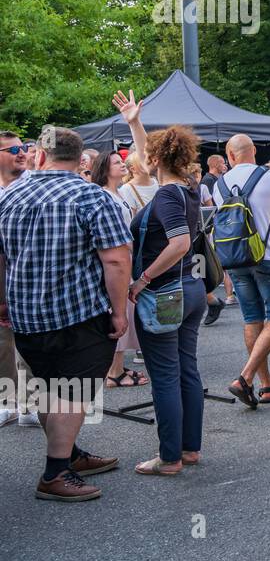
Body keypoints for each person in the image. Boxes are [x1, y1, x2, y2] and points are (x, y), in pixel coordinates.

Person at [0, 126, 130, 501]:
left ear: (40, 156)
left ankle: (69, 453)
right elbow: (116, 260)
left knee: (47, 388)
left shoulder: (9, 198)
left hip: (25, 316)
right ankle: (55, 472)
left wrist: (3, 303)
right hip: (77, 314)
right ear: (80, 160)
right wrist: (119, 313)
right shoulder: (91, 197)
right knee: (75, 390)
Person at [120, 117, 206, 476]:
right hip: (191, 288)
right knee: (186, 369)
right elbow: (149, 154)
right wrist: (135, 124)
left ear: (156, 161)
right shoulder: (186, 186)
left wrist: (142, 279)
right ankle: (189, 449)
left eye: (148, 156)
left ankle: (169, 457)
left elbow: (180, 243)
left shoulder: (168, 194)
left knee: (166, 376)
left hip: (166, 292)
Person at [217, 131, 270, 407]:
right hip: (269, 257)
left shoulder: (219, 184)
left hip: (236, 259)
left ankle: (266, 384)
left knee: (252, 319)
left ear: (230, 155)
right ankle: (246, 377)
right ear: (254, 152)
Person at [90, 151, 149, 388]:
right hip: (119, 259)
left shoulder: (118, 193)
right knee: (120, 311)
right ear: (105, 168)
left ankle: (116, 367)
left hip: (128, 257)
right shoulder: (104, 195)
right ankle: (114, 371)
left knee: (124, 311)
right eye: (116, 162)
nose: (122, 164)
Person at [0, 131, 38, 428]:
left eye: (23, 147)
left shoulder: (35, 186)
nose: (21, 152)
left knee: (29, 342)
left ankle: (30, 404)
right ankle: (7, 402)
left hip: (29, 274)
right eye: (13, 149)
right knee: (2, 343)